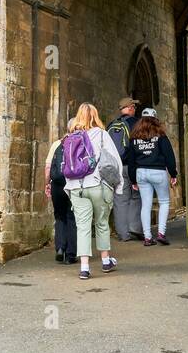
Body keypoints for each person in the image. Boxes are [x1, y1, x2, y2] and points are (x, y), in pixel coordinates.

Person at [61, 103, 124, 280]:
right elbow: (115, 161)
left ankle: (84, 267)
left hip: (76, 188)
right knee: (102, 223)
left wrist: (69, 188)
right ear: (95, 116)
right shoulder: (102, 135)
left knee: (82, 227)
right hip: (98, 186)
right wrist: (119, 186)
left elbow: (65, 165)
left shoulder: (69, 137)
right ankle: (105, 261)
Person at [126, 107, 178, 246]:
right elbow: (169, 156)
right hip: (158, 171)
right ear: (156, 120)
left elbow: (131, 160)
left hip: (141, 172)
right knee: (164, 202)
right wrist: (173, 173)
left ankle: (148, 237)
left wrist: (133, 179)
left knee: (146, 205)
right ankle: (161, 233)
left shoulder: (134, 137)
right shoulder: (161, 136)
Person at [107, 97, 144, 243]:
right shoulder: (135, 123)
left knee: (120, 199)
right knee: (136, 196)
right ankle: (135, 227)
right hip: (132, 166)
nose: (135, 109)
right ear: (129, 108)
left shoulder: (111, 124)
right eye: (134, 107)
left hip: (116, 167)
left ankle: (123, 234)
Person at [43, 135, 77, 264]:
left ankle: (60, 248)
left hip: (57, 185)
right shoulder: (81, 141)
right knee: (72, 217)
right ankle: (71, 254)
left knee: (59, 217)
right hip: (73, 184)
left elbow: (48, 167)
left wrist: (47, 184)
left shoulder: (57, 143)